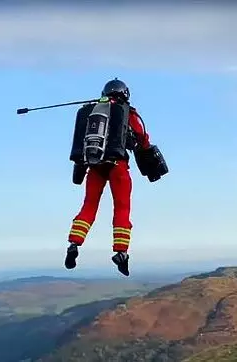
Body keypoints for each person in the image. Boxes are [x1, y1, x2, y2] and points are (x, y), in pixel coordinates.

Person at [64, 79, 151, 276]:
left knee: (88, 207)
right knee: (122, 208)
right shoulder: (127, 112)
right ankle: (121, 253)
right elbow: (142, 136)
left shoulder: (91, 112)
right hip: (117, 166)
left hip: (94, 165)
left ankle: (73, 245)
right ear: (124, 94)